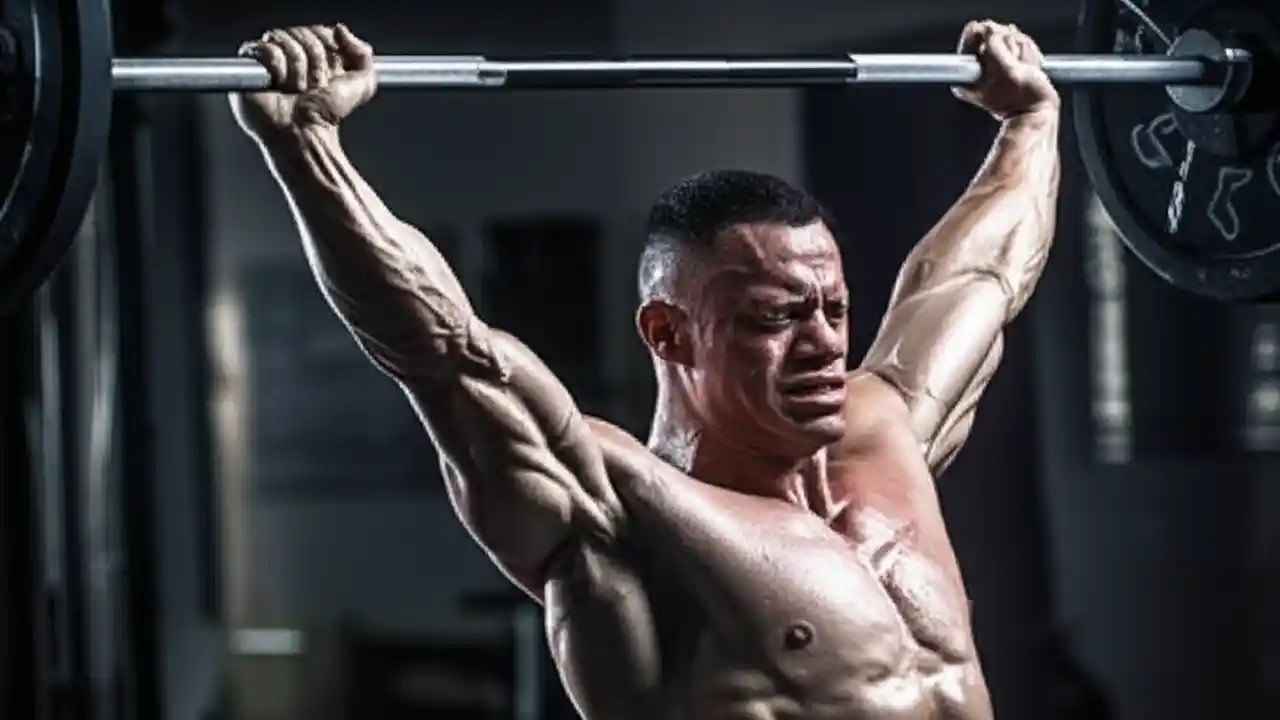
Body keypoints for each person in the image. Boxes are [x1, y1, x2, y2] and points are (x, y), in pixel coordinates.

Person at [231, 18, 1059, 720]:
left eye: (834, 309)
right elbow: (444, 351)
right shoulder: (616, 511)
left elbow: (980, 280)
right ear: (669, 332)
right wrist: (306, 148)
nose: (822, 344)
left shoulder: (884, 430)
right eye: (775, 317)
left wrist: (1030, 120)